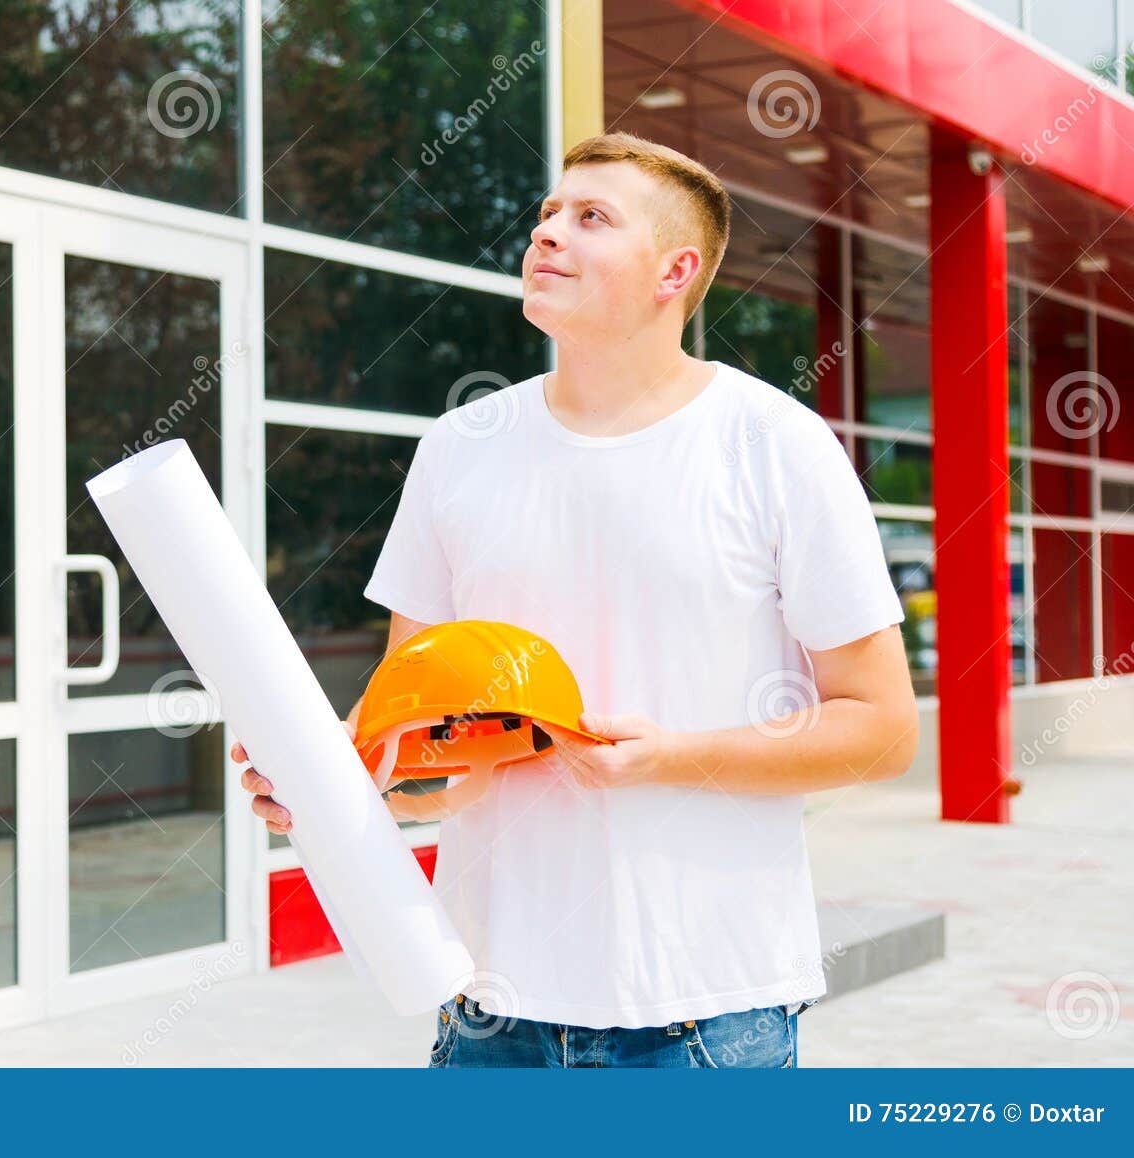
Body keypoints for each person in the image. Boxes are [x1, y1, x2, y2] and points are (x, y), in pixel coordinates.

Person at [231, 131, 918, 1069]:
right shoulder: (460, 447)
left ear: (675, 270)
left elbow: (882, 728)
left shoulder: (774, 444)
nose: (548, 231)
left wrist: (673, 756)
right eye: (550, 212)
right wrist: (334, 777)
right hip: (489, 1007)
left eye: (591, 218)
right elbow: (420, 717)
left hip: (707, 1019)